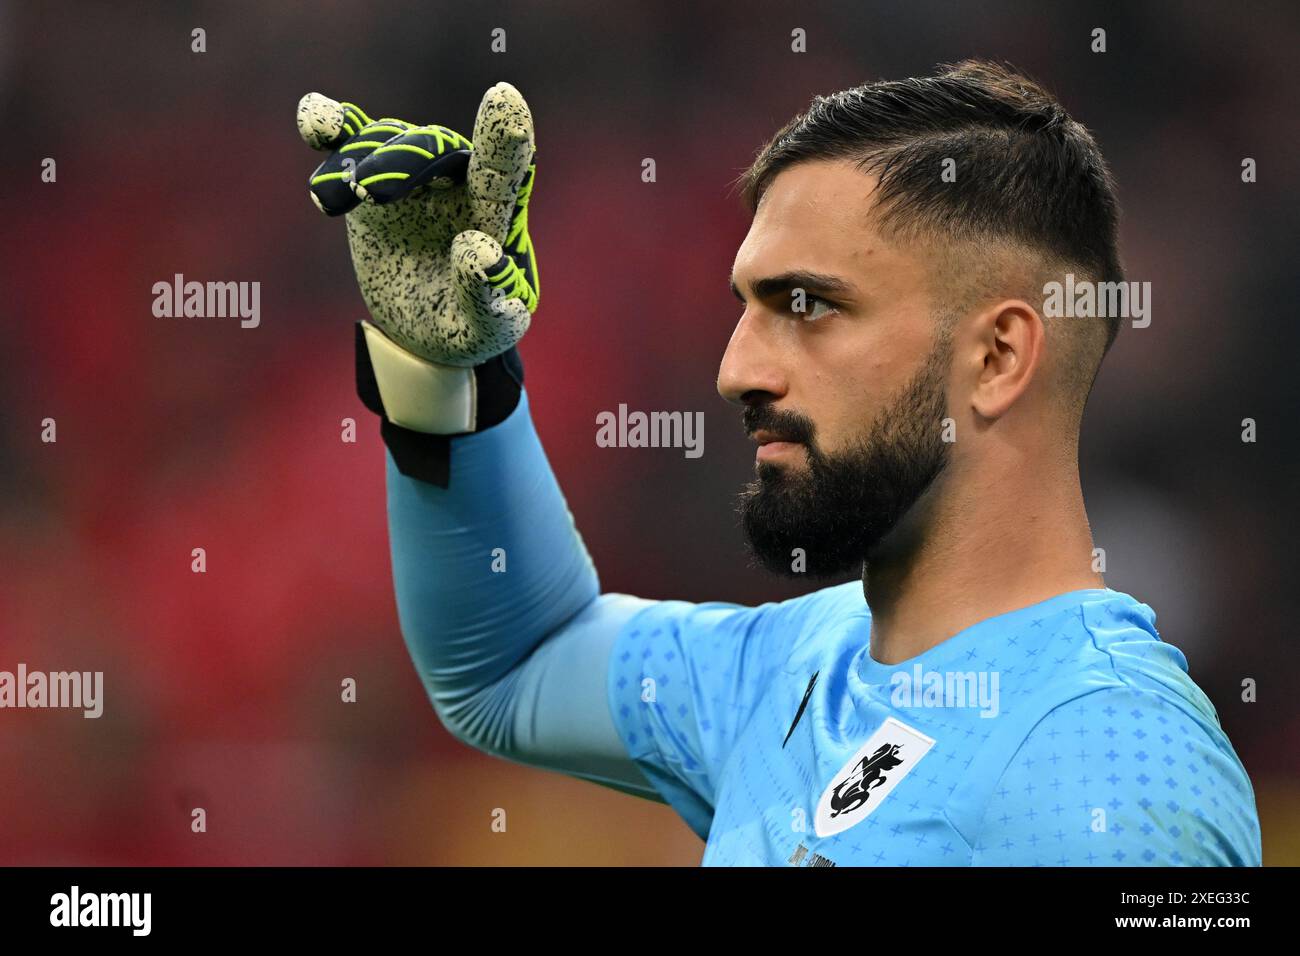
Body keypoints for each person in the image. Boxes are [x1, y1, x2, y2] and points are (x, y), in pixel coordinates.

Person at [295, 60, 1261, 866]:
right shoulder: (793, 669)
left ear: (998, 357)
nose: (735, 370)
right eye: (747, 307)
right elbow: (515, 664)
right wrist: (445, 375)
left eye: (809, 305)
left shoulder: (1115, 771)